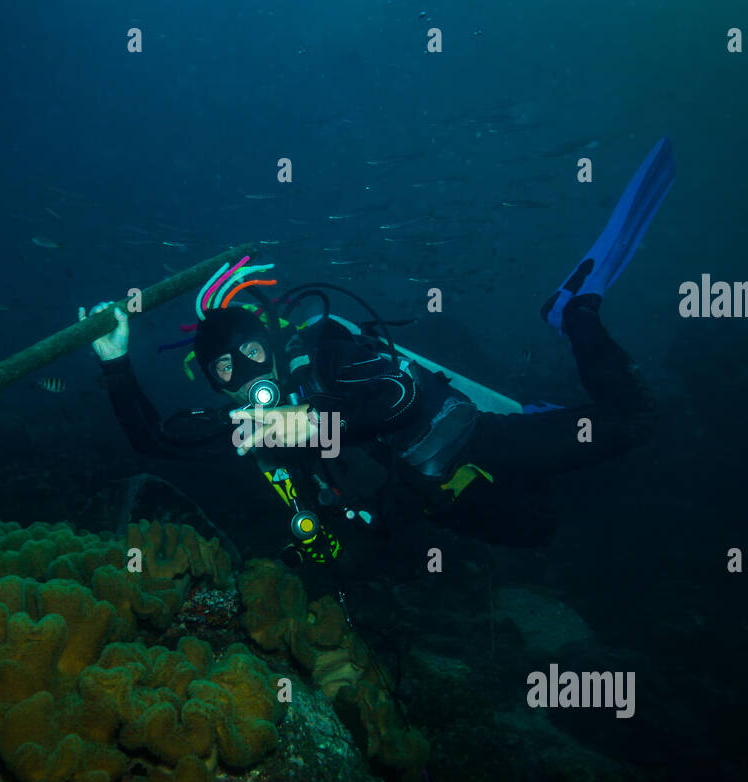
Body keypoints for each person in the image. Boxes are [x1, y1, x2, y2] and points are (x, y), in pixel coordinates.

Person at [83, 137, 673, 557]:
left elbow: (396, 394)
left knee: (636, 420)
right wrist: (114, 362)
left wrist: (309, 419)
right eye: (226, 371)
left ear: (272, 343)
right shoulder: (247, 423)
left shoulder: (323, 350)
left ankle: (574, 311)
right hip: (433, 492)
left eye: (252, 355)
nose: (245, 375)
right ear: (215, 383)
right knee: (539, 530)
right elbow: (155, 440)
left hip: (479, 439)